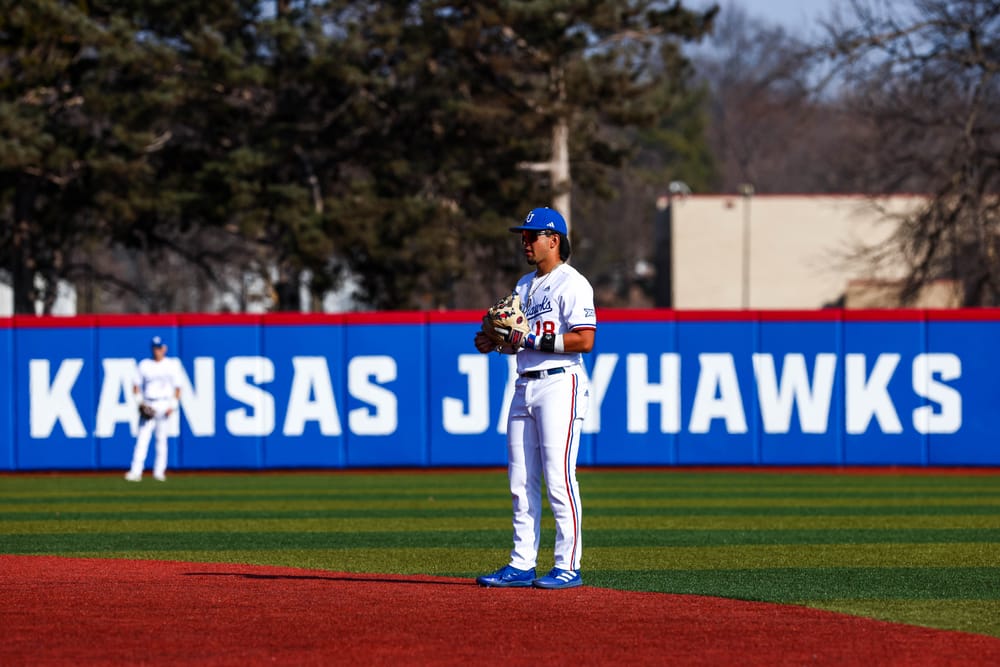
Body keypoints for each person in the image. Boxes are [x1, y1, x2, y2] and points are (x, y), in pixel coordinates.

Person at [474, 207, 596, 589]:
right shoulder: (524, 286)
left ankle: (567, 565)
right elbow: (516, 340)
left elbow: (584, 339)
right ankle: (522, 562)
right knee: (520, 480)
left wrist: (527, 340)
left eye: (532, 235)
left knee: (559, 478)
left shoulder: (573, 283)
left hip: (561, 383)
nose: (525, 242)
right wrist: (494, 341)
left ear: (554, 240)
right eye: (524, 236)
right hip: (524, 381)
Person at [125, 336, 183, 482]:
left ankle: (159, 472)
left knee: (161, 440)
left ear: (165, 349)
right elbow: (136, 386)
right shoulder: (145, 365)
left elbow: (178, 387)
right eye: (155, 348)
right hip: (149, 403)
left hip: (164, 404)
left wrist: (173, 405)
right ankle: (136, 471)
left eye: (159, 348)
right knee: (142, 439)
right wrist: (141, 403)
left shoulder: (171, 365)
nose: (157, 351)